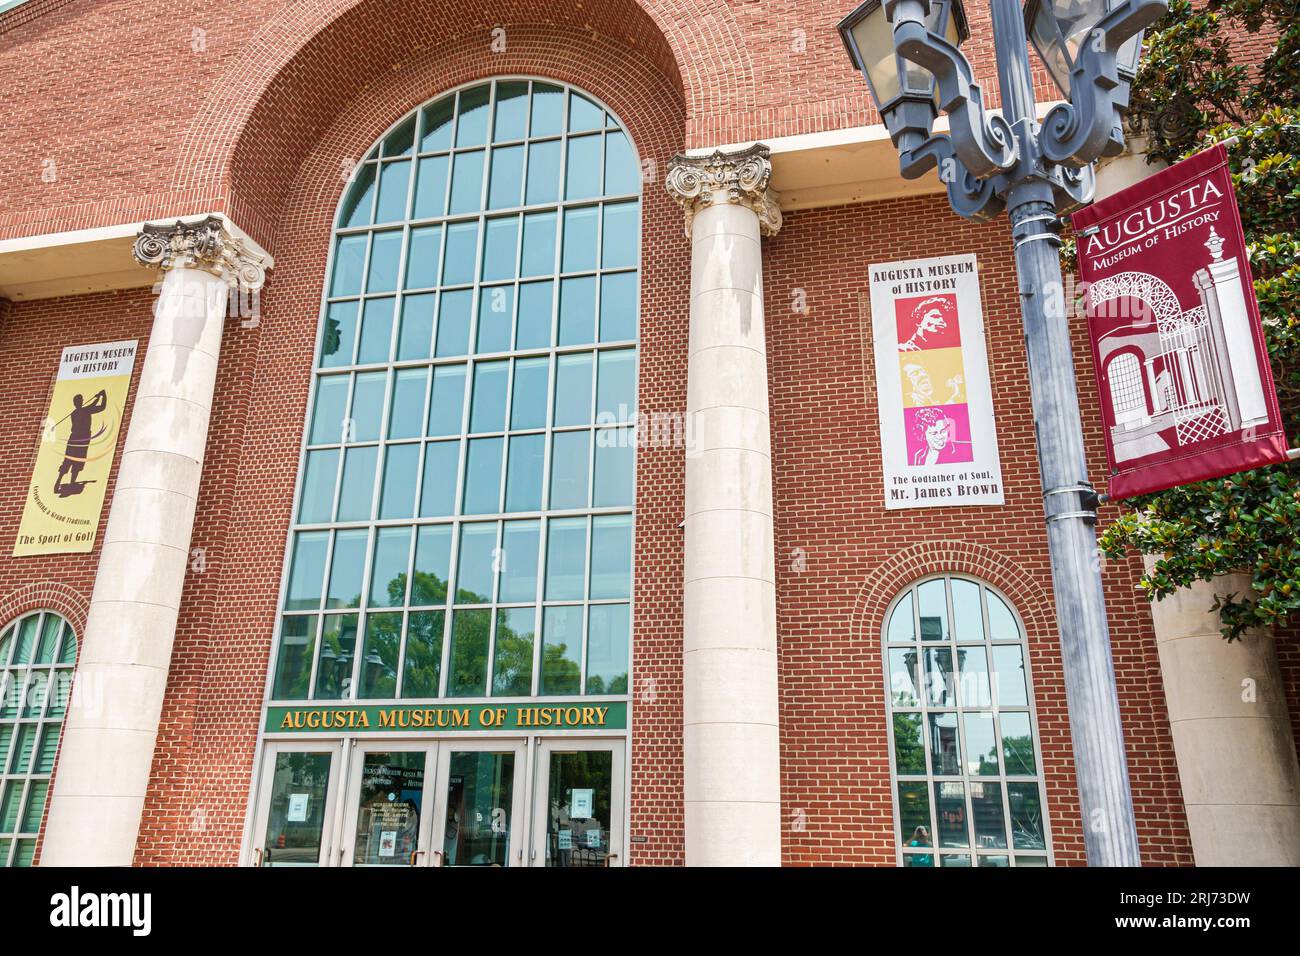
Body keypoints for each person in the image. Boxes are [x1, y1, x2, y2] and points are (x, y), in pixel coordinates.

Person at [54, 389, 108, 495]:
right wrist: (102, 396)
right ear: (79, 402)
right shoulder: (84, 410)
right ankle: (70, 483)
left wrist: (98, 398)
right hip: (81, 439)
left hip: (74, 438)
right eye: (80, 400)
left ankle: (59, 482)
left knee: (69, 460)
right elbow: (101, 407)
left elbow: (93, 406)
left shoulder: (75, 412)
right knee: (77, 460)